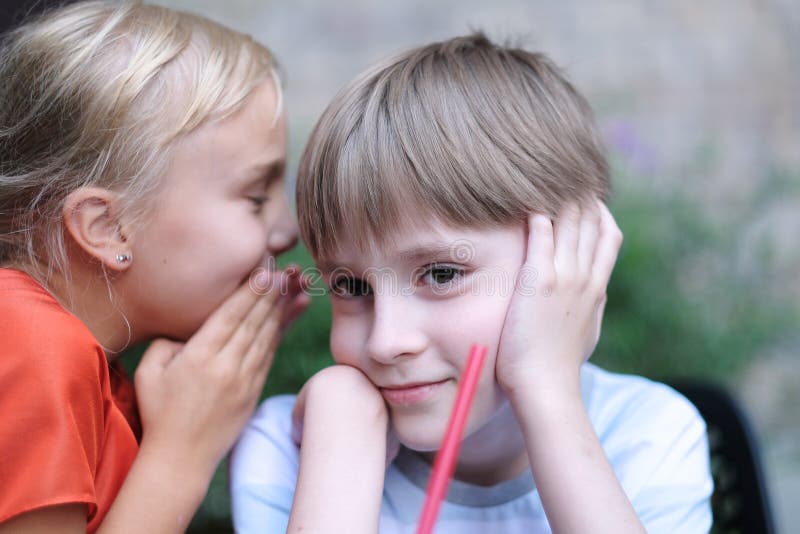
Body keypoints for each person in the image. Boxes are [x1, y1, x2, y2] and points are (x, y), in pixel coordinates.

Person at [229, 33, 714, 533]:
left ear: (570, 260)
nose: (386, 341)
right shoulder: (295, 451)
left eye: (441, 274)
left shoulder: (648, 436)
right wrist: (341, 455)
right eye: (352, 287)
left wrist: (545, 390)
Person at [0, 1, 310, 532]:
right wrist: (184, 451)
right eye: (256, 196)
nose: (288, 231)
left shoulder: (83, 358)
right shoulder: (33, 342)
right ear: (106, 228)